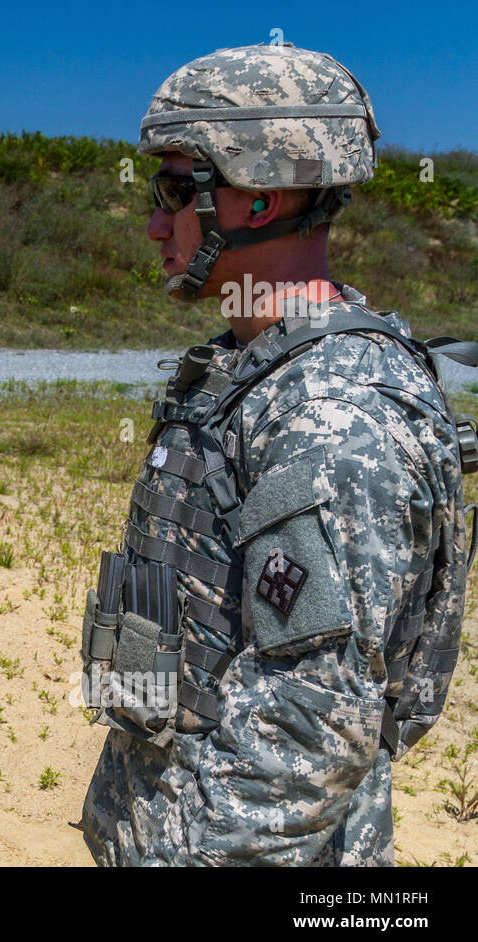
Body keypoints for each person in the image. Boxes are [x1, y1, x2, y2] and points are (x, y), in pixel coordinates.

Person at [79, 43, 472, 866]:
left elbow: (307, 732)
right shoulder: (248, 369)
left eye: (178, 191)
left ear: (260, 199)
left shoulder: (336, 412)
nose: (156, 221)